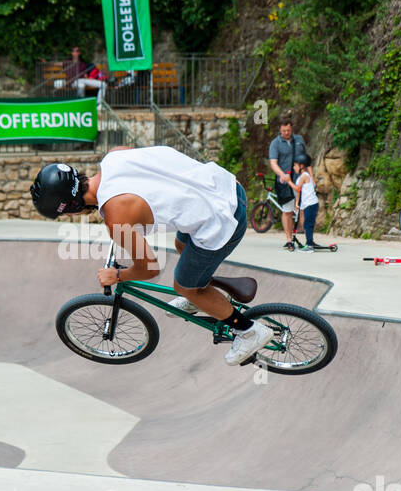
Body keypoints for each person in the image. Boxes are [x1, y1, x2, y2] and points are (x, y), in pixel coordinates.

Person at [29, 146, 275, 366]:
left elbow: (150, 268)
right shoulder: (115, 155)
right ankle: (202, 296)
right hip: (225, 187)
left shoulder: (115, 216)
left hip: (223, 219)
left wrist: (116, 274)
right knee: (181, 244)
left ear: (71, 208)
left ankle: (248, 331)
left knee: (185, 286)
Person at [267, 117, 307, 251]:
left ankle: (308, 238)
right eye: (284, 131)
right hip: (284, 182)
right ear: (280, 129)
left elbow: (306, 159)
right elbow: (273, 162)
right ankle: (289, 239)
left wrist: (310, 177)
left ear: (292, 129)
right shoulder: (275, 143)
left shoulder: (299, 140)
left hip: (300, 179)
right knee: (287, 211)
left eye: (288, 130)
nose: (286, 133)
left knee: (304, 209)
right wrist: (281, 174)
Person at [290, 152, 333, 252]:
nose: (293, 167)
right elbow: (299, 192)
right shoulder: (301, 177)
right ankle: (310, 242)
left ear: (301, 166)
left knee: (307, 224)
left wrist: (288, 181)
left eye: (295, 165)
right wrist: (297, 203)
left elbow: (297, 188)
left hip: (311, 204)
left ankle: (309, 245)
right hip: (307, 204)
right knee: (307, 223)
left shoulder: (305, 175)